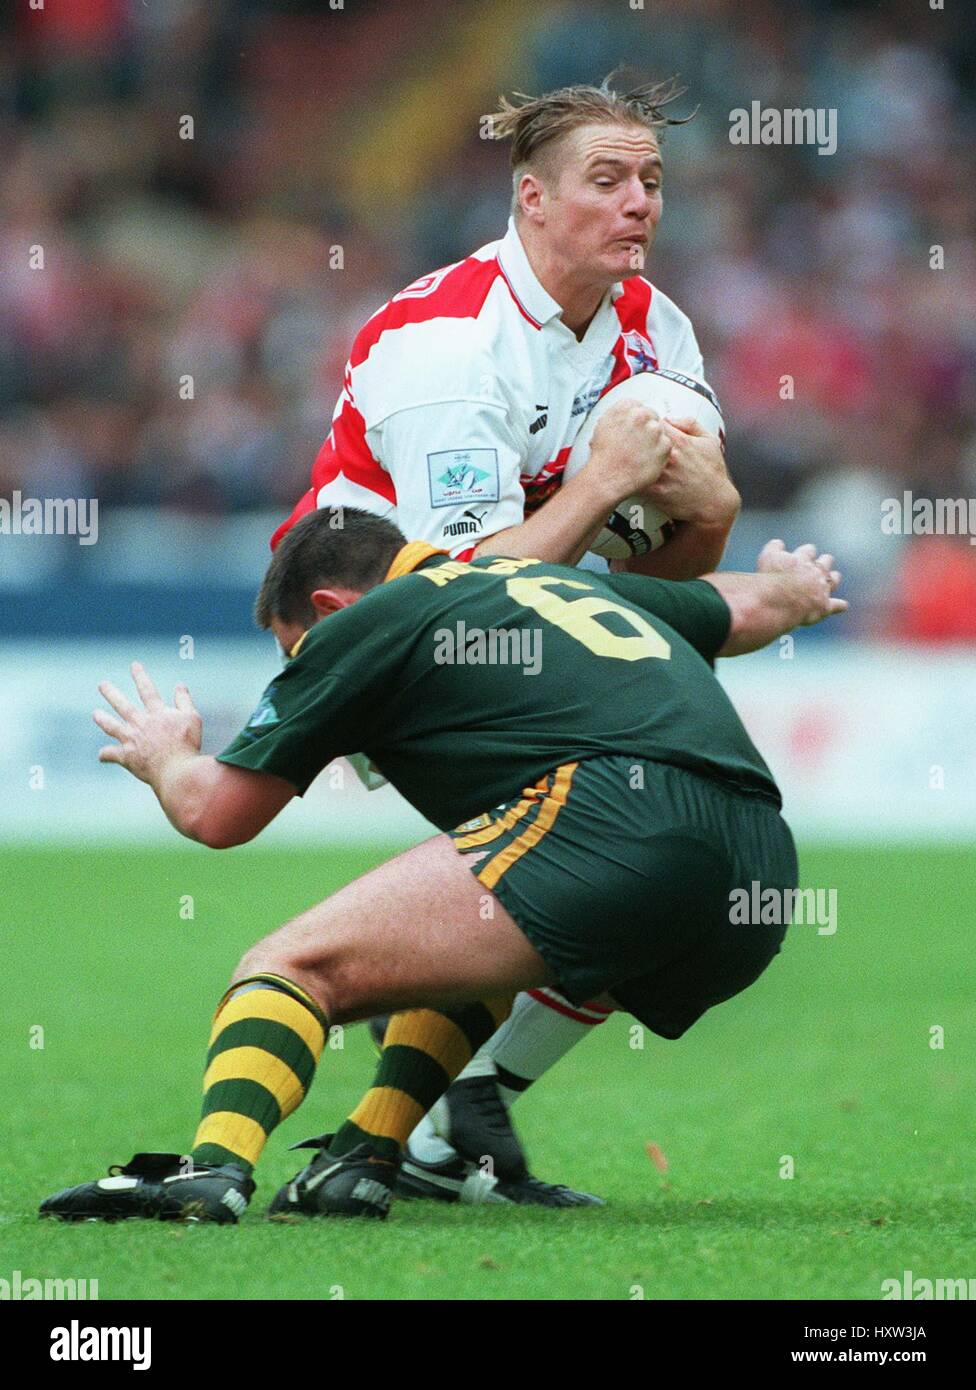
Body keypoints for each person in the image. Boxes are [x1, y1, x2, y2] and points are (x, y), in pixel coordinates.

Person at [40, 508, 846, 1223]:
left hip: (623, 824)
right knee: (491, 931)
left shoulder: (373, 619)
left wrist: (166, 758)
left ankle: (210, 1171)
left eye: (296, 649)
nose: (303, 664)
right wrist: (797, 587)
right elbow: (750, 607)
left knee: (288, 967)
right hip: (760, 872)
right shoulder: (545, 581)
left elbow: (216, 815)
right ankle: (361, 1159)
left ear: (326, 607)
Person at [271, 76, 741, 1199]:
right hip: (370, 629)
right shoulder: (443, 343)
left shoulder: (652, 326)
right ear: (532, 199)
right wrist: (610, 482)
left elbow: (656, 560)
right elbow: (460, 591)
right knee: (617, 858)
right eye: (609, 180)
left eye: (652, 181)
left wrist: (710, 515)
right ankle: (384, 1119)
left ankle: (444, 1122)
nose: (640, 204)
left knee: (666, 860)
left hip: (519, 625)